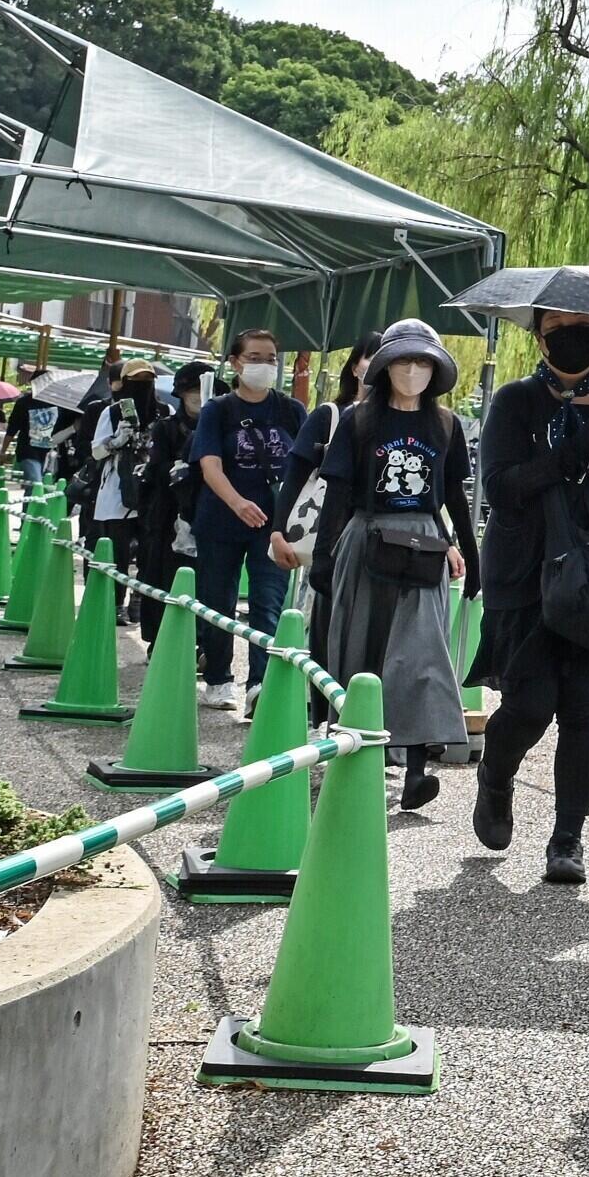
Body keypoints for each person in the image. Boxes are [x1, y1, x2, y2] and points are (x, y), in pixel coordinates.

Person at [468, 308, 589, 884]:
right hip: (525, 575)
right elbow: (499, 487)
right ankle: (496, 774)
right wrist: (561, 461)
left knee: (583, 705)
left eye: (583, 328)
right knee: (531, 702)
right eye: (557, 329)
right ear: (539, 336)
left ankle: (568, 838)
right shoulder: (514, 401)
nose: (571, 338)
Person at [311, 321, 479, 813]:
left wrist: (469, 550)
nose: (413, 371)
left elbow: (453, 497)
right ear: (385, 367)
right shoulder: (360, 421)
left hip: (424, 545)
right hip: (365, 540)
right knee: (362, 648)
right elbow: (338, 492)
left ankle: (416, 769)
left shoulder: (446, 425)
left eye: (424, 362)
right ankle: (356, 750)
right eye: (404, 361)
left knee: (422, 653)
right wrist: (324, 555)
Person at [189, 329, 307, 713]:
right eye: (255, 357)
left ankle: (260, 683)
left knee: (268, 601)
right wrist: (237, 502)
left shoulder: (291, 410)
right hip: (221, 519)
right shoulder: (218, 410)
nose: (264, 365)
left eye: (271, 358)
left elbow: (306, 466)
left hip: (274, 525)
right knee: (217, 599)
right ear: (236, 363)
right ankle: (219, 677)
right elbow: (209, 464)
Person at [271, 332, 381, 695]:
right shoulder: (330, 416)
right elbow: (295, 475)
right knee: (317, 616)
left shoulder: (405, 421)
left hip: (377, 543)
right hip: (327, 539)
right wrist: (277, 530)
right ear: (354, 366)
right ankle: (306, 696)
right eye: (370, 357)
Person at [134, 361, 213, 649]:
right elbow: (154, 470)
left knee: (208, 582)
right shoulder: (166, 428)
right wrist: (180, 468)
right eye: (192, 390)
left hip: (208, 512)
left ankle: (202, 641)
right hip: (168, 516)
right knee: (163, 576)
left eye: (202, 390)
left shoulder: (217, 425)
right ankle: (160, 639)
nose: (197, 396)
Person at [82, 360, 161, 623]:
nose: (142, 387)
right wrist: (116, 441)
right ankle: (115, 602)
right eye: (136, 381)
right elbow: (96, 451)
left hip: (153, 490)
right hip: (118, 490)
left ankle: (139, 600)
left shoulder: (163, 411)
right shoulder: (112, 413)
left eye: (147, 381)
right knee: (119, 551)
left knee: (149, 551)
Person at [4, 368, 63, 489]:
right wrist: (3, 451)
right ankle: (29, 506)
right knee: (36, 484)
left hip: (47, 452)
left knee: (33, 487)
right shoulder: (24, 403)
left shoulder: (57, 404)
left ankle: (27, 508)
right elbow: (12, 428)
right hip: (27, 450)